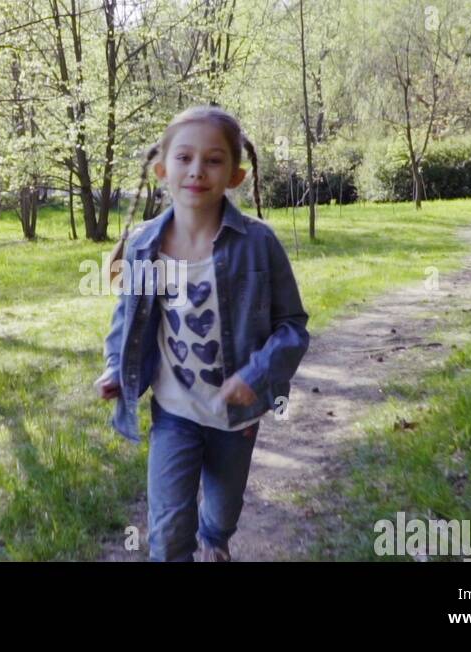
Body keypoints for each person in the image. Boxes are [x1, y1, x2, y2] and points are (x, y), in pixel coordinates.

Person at [94, 105, 310, 561]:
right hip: (173, 413)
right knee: (169, 531)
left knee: (223, 510)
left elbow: (292, 326)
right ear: (161, 169)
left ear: (236, 175)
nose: (197, 170)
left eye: (214, 160)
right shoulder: (144, 248)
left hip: (237, 417)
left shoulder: (258, 244)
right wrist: (116, 367)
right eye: (184, 158)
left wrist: (256, 375)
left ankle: (215, 541)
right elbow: (126, 317)